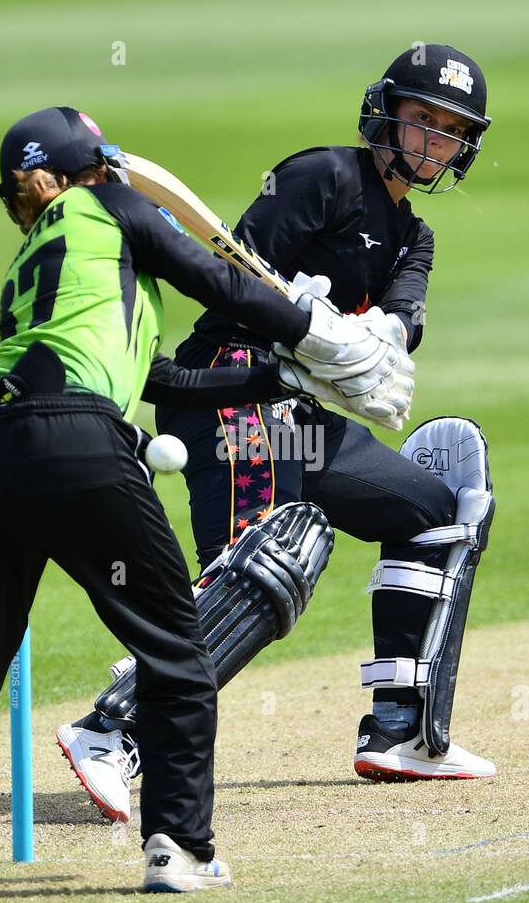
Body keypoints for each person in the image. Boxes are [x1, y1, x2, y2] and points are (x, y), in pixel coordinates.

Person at [0, 106, 411, 893]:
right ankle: (179, 847)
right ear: (93, 168)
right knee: (178, 652)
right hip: (77, 445)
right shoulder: (115, 207)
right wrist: (319, 337)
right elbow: (222, 279)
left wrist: (277, 379)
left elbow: (152, 377)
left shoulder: (36, 254)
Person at [59, 45, 500, 823]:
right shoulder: (322, 176)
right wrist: (305, 326)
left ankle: (401, 730)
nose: (431, 141)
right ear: (385, 113)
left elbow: (402, 322)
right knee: (262, 567)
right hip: (227, 386)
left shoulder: (415, 235)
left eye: (449, 131)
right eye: (420, 120)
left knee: (437, 511)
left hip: (294, 408)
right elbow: (234, 275)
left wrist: (374, 343)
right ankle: (114, 729)